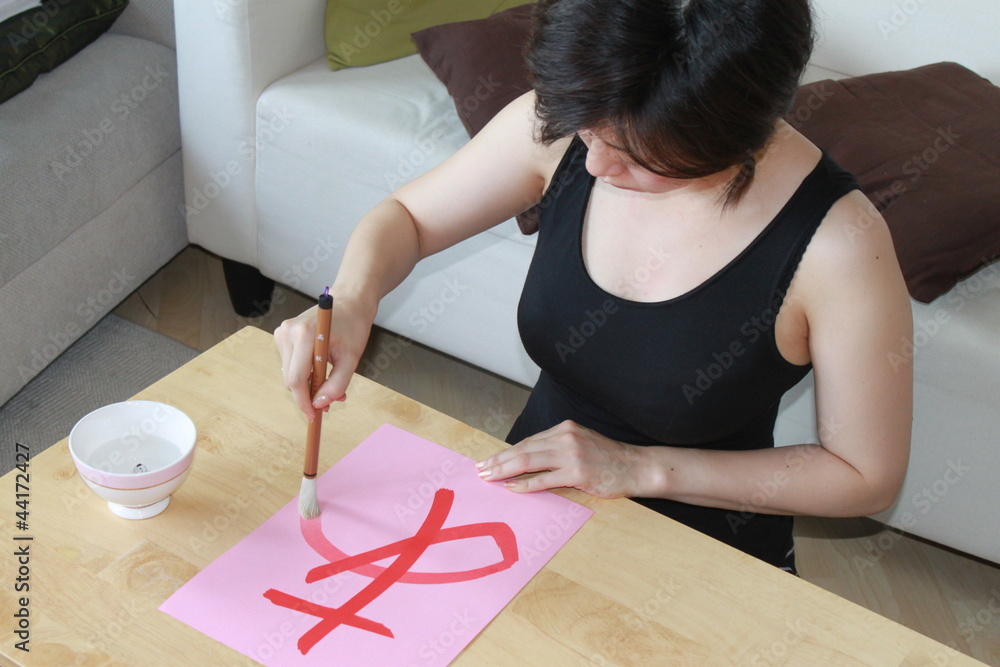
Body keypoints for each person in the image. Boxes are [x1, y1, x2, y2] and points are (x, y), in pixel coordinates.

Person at [275, 0, 912, 573]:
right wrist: (354, 299)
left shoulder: (838, 247)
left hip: (705, 559)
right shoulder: (581, 119)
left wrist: (640, 468)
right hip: (525, 511)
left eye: (642, 158)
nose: (598, 166)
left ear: (738, 139)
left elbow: (865, 475)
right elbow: (407, 220)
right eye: (588, 134)